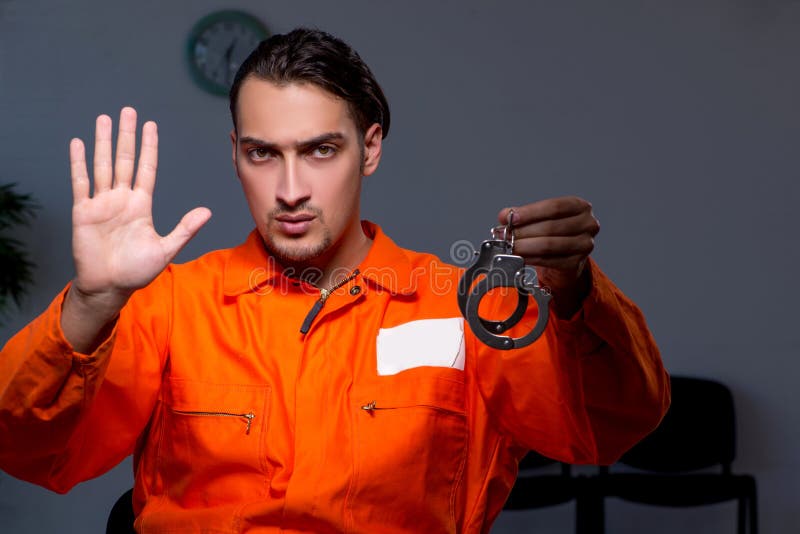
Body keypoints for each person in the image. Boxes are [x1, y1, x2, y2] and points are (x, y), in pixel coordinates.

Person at [0, 28, 669, 533]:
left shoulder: (465, 307)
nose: (291, 190)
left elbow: (605, 429)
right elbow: (28, 450)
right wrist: (92, 303)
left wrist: (578, 292)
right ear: (236, 154)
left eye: (321, 150)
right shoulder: (172, 304)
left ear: (370, 148)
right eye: (264, 154)